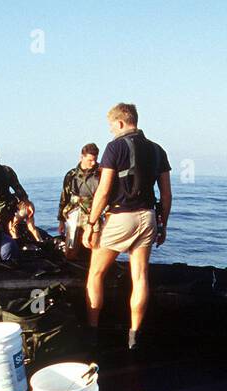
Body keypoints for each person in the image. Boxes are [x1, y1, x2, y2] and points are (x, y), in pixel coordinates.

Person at [83, 103, 172, 349]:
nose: (111, 131)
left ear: (120, 123)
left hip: (121, 217)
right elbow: (166, 195)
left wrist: (91, 224)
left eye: (112, 126)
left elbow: (102, 191)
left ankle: (92, 334)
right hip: (148, 217)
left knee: (95, 273)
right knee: (141, 277)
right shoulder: (158, 150)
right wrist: (163, 225)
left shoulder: (114, 147)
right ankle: (134, 338)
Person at [57, 143, 100, 254]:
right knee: (70, 250)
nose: (93, 163)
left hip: (94, 214)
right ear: (82, 157)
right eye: (90, 160)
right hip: (74, 215)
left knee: (94, 248)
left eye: (95, 159)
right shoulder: (71, 175)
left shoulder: (101, 173)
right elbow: (64, 198)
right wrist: (61, 221)